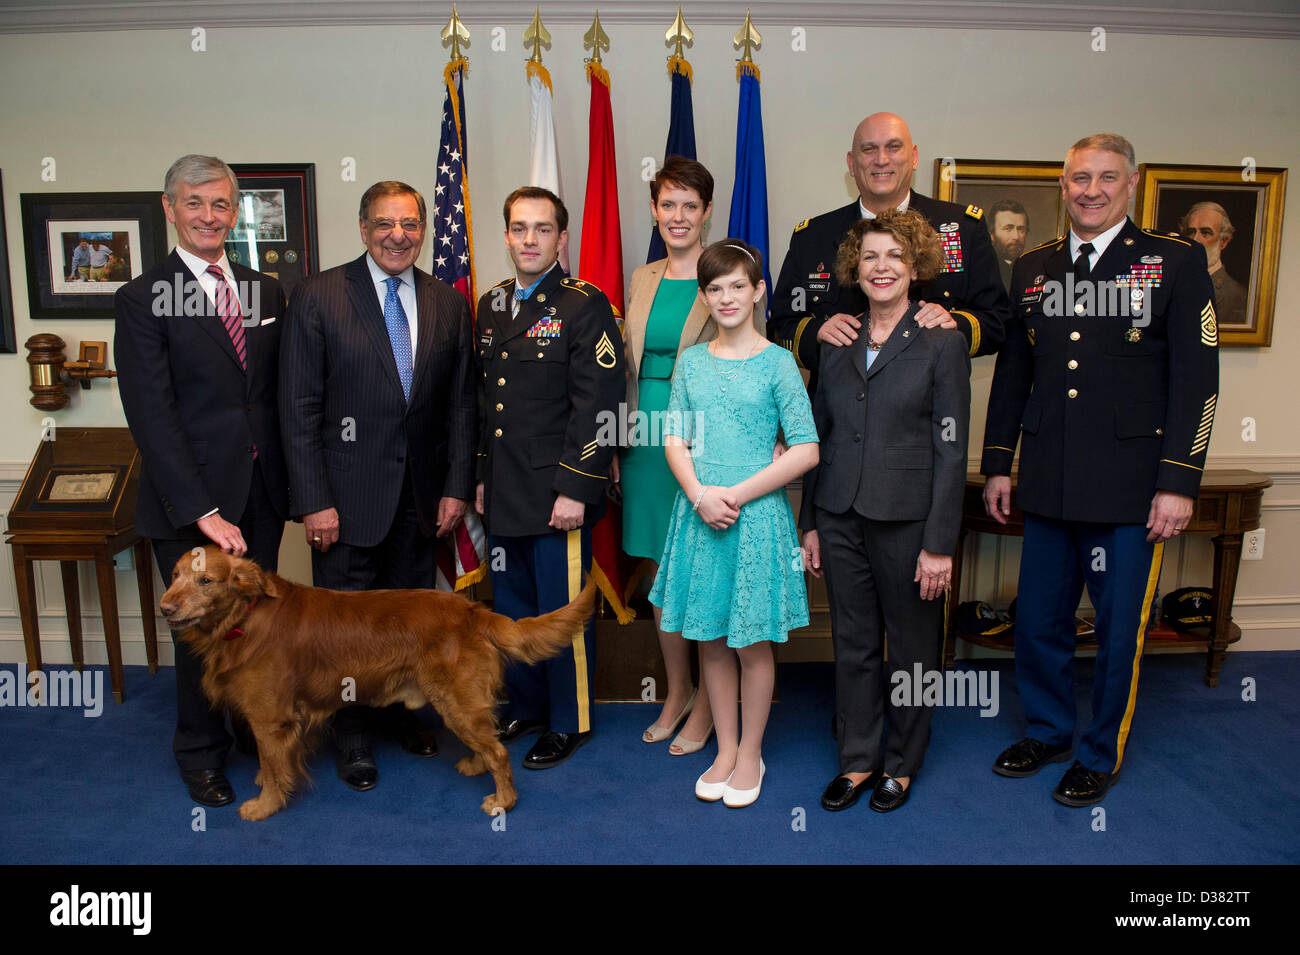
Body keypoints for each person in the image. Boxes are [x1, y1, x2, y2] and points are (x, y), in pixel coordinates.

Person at [982, 134, 1219, 806]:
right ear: (1064, 184)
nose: (1091, 190)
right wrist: (999, 462)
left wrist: (1178, 480)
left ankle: (1099, 751)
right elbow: (1014, 375)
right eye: (1079, 178)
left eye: (1106, 178)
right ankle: (1051, 730)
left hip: (1132, 487)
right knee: (1039, 621)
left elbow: (1197, 383)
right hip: (1049, 477)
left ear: (1132, 182)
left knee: (1117, 631)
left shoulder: (1172, 262)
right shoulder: (1034, 266)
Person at [279, 180, 477, 791]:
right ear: (364, 229)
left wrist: (455, 487)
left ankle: (402, 721)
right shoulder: (319, 296)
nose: (399, 235)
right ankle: (354, 738)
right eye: (385, 224)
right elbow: (299, 406)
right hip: (344, 504)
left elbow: (461, 406)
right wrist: (315, 501)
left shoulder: (447, 301)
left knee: (404, 627)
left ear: (423, 229)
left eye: (411, 224)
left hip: (421, 502)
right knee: (344, 636)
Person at [114, 154, 289, 808]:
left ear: (235, 210)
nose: (209, 216)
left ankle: (249, 729)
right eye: (195, 203)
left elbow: (269, 396)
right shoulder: (141, 298)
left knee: (255, 630)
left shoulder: (263, 288)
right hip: (191, 506)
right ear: (169, 208)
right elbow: (152, 416)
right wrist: (203, 511)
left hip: (261, 495)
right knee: (201, 638)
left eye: (221, 204)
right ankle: (200, 752)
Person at [800, 211, 970, 813]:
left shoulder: (943, 343)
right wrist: (810, 524)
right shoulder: (837, 340)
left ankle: (902, 762)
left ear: (916, 266)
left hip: (910, 524)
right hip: (839, 514)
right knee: (852, 642)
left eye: (895, 257)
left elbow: (952, 451)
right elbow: (817, 436)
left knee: (914, 648)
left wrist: (940, 545)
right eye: (871, 257)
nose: (881, 268)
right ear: (856, 266)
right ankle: (858, 760)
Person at [649, 239, 819, 808]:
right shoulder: (692, 363)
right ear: (704, 297)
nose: (726, 297)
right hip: (699, 514)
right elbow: (674, 438)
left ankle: (750, 753)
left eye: (736, 287)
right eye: (714, 288)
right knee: (711, 639)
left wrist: (734, 496)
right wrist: (699, 494)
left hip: (755, 514)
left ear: (756, 292)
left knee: (751, 642)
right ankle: (724, 748)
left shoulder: (778, 363)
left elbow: (806, 449)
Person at [475, 186, 624, 769]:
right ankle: (529, 705)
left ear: (562, 239)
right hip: (505, 488)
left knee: (560, 612)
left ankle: (571, 718)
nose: (529, 239)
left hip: (557, 489)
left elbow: (598, 402)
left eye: (542, 229)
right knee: (513, 609)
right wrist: (482, 476)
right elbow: (487, 403)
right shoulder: (492, 304)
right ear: (507, 235)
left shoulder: (586, 303)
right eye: (519, 228)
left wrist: (575, 487)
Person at [768, 111, 1007, 384]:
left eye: (893, 147)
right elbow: (780, 326)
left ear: (914, 157)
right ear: (851, 163)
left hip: (929, 412)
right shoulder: (812, 237)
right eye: (869, 149)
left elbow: (997, 321)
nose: (881, 160)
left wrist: (954, 325)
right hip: (836, 413)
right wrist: (818, 332)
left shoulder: (963, 228)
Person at [621, 156, 720, 755]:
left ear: (706, 212)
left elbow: (748, 360)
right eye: (667, 205)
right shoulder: (642, 276)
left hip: (703, 440)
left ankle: (710, 702)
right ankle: (676, 691)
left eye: (690, 205)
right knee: (660, 574)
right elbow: (624, 364)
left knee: (701, 574)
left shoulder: (726, 271)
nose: (678, 217)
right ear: (655, 211)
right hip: (643, 437)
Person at [1180, 201, 1248, 326]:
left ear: (1223, 241)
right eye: (1191, 232)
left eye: (1205, 233)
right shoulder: (1173, 282)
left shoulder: (1237, 296)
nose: (1195, 240)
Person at [988, 198, 1029, 293]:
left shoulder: (1033, 270)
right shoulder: (982, 271)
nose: (1016, 236)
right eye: (1008, 228)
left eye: (1021, 229)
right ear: (992, 234)